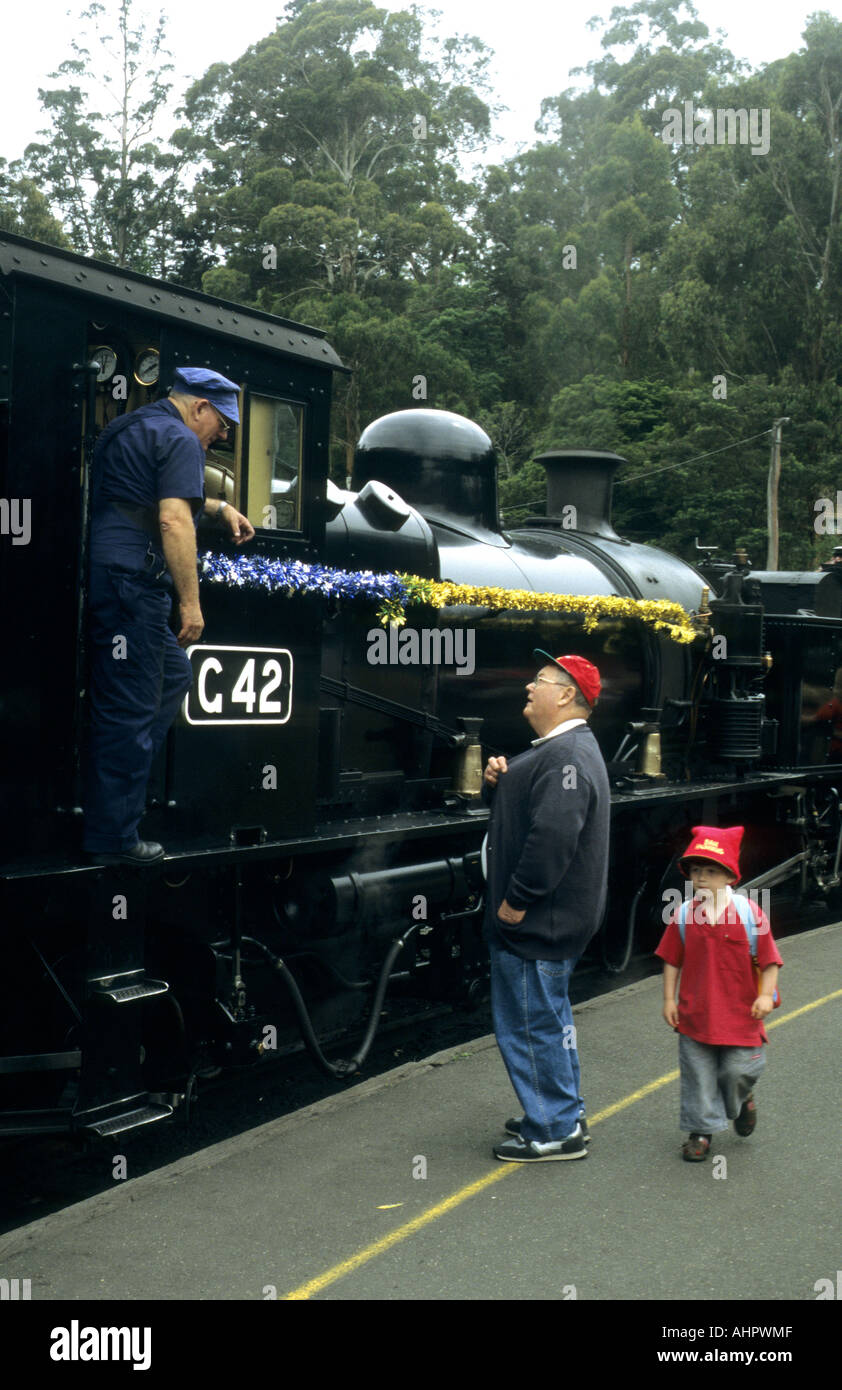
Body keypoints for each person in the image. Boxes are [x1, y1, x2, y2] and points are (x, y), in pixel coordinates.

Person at [83, 367, 255, 864]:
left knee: (173, 675)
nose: (221, 436)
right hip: (134, 582)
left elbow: (144, 497)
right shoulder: (180, 437)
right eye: (221, 424)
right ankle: (112, 836)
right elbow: (171, 518)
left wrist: (219, 507)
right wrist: (191, 603)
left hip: (113, 572)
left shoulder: (134, 426)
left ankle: (119, 793)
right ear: (199, 407)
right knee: (131, 707)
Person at [483, 650, 610, 1161]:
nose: (528, 688)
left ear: (565, 695)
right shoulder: (561, 752)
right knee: (550, 1020)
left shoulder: (566, 756)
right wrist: (503, 778)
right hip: (552, 918)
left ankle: (554, 1130)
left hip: (538, 920)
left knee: (532, 1022)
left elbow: (553, 836)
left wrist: (516, 901)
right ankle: (563, 1110)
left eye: (539, 680)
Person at [655, 826, 782, 1161]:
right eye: (696, 871)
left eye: (710, 871)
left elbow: (770, 962)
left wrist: (766, 996)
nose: (701, 878)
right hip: (695, 1014)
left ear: (729, 877)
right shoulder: (682, 915)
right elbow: (671, 960)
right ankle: (701, 1131)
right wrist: (669, 999)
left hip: (742, 1015)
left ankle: (742, 1100)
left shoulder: (749, 914)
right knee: (697, 1075)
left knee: (738, 1070)